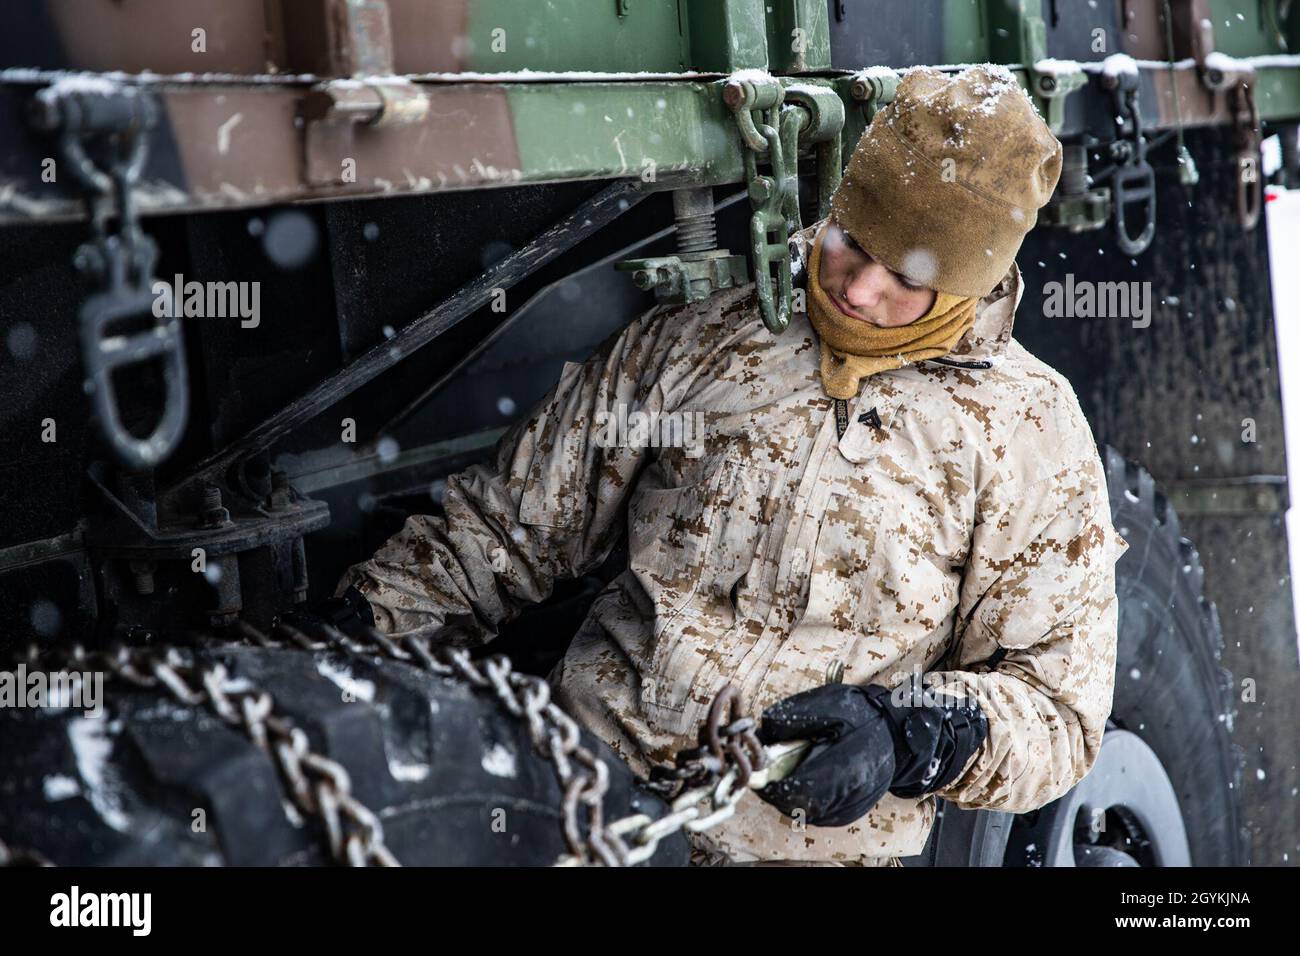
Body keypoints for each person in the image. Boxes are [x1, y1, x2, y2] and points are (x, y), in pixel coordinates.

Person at [329, 64, 1130, 866]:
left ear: (969, 283)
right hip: (589, 816)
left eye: (908, 279)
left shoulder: (1029, 435)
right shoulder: (706, 339)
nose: (856, 287)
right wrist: (359, 630)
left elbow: (1056, 709)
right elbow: (510, 528)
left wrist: (908, 730)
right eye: (853, 241)